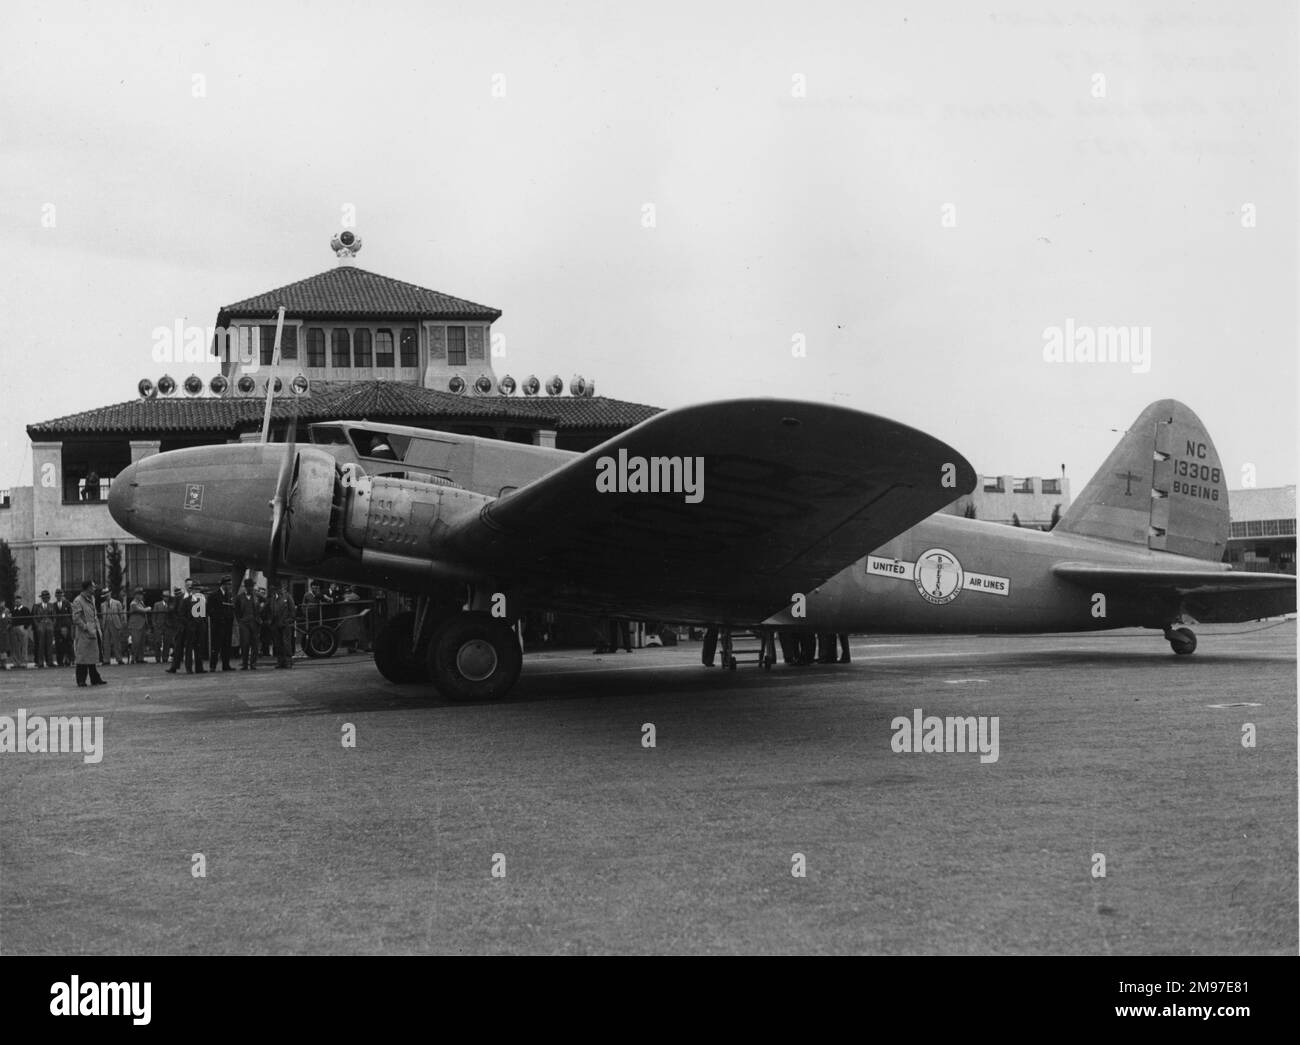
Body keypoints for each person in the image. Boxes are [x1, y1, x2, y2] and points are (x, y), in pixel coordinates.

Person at [167, 578, 208, 674]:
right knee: (185, 648)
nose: (198, 591)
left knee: (198, 648)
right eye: (196, 589)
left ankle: (199, 667)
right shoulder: (184, 599)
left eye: (199, 590)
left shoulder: (201, 600)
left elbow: (203, 615)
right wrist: (186, 624)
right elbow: (179, 614)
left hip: (197, 628)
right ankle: (186, 667)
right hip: (186, 627)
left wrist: (202, 625)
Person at [72, 580, 106, 686]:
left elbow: (94, 615)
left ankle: (95, 678)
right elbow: (76, 618)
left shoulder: (92, 598)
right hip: (84, 634)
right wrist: (86, 627)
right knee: (82, 657)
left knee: (92, 656)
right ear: (87, 588)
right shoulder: (78, 601)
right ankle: (81, 680)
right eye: (93, 586)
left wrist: (97, 628)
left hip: (93, 631)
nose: (95, 588)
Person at [234, 578, 264, 670]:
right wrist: (240, 621)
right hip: (244, 623)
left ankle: (253, 663)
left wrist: (261, 610)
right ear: (245, 588)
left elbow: (266, 601)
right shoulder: (239, 597)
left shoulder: (257, 596)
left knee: (255, 644)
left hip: (255, 622)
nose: (250, 589)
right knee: (245, 643)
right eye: (248, 587)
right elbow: (237, 610)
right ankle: (245, 663)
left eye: (251, 587)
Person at [267, 580, 296, 669]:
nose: (278, 590)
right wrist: (270, 621)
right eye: (276, 589)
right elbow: (269, 610)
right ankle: (280, 662)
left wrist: (289, 620)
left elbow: (292, 610)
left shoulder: (287, 597)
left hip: (285, 624)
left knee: (286, 643)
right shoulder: (272, 598)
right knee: (277, 644)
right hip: (275, 624)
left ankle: (288, 662)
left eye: (279, 588)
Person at [208, 576, 234, 671]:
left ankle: (226, 665)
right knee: (216, 646)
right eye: (228, 584)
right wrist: (218, 617)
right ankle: (213, 666)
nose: (230, 586)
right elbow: (210, 610)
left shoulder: (229, 595)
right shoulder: (214, 595)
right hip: (218, 625)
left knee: (226, 645)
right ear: (224, 584)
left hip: (227, 624)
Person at [103, 589, 127, 665]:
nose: (106, 596)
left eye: (107, 594)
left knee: (117, 642)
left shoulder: (117, 603)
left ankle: (119, 659)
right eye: (105, 595)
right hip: (106, 624)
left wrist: (121, 625)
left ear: (110, 594)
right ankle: (106, 660)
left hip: (115, 623)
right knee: (106, 643)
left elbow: (122, 615)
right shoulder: (102, 605)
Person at [33, 590, 57, 668]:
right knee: (41, 645)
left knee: (49, 645)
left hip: (49, 626)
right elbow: (34, 617)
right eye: (44, 597)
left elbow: (54, 617)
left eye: (47, 597)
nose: (46, 598)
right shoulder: (37, 606)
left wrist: (52, 625)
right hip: (41, 626)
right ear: (42, 598)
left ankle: (50, 662)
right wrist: (37, 626)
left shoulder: (51, 605)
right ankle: (40, 662)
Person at [9, 594, 32, 668]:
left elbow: (29, 618)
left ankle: (24, 662)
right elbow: (10, 620)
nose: (17, 602)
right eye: (16, 601)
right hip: (14, 628)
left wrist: (25, 627)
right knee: (15, 646)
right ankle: (16, 662)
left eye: (18, 601)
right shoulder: (13, 610)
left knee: (24, 646)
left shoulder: (25, 609)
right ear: (15, 602)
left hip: (23, 628)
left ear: (21, 601)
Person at [152, 590, 175, 663]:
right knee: (157, 642)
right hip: (159, 626)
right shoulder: (157, 604)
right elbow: (154, 616)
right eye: (165, 596)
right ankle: (157, 658)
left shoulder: (171, 605)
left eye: (167, 596)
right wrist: (155, 625)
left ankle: (165, 658)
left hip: (168, 626)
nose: (166, 598)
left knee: (167, 642)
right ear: (162, 597)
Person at [53, 589, 74, 665]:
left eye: (60, 595)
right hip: (58, 627)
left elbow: (71, 615)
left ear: (62, 595)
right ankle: (60, 661)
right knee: (59, 644)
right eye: (57, 595)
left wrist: (69, 625)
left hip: (67, 625)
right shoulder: (54, 605)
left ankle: (70, 659)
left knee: (68, 643)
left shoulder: (67, 603)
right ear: (55, 596)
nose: (59, 597)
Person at [128, 588, 150, 663]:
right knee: (135, 642)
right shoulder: (133, 603)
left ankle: (140, 658)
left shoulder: (141, 602)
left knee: (142, 642)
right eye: (140, 594)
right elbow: (140, 610)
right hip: (135, 625)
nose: (142, 596)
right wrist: (147, 609)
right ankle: (133, 658)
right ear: (136, 595)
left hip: (142, 624)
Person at [0, 599, 11, 669]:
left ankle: (4, 664)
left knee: (4, 648)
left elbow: (10, 620)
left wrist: (7, 628)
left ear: (4, 603)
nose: (1, 604)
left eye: (2, 602)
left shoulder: (7, 610)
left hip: (4, 632)